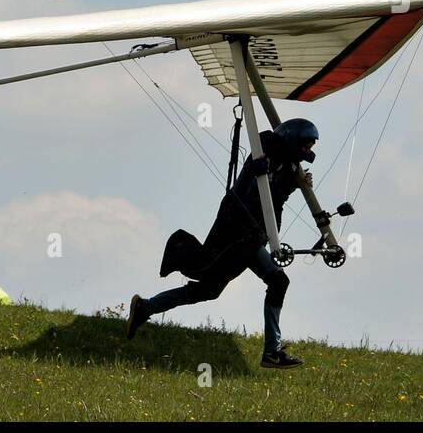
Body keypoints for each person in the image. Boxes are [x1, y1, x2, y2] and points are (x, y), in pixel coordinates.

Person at [126, 118, 319, 369]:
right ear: (293, 140)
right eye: (306, 144)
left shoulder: (284, 167)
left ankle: (144, 308)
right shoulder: (265, 152)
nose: (309, 150)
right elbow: (244, 189)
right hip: (236, 235)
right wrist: (255, 170)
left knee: (209, 291)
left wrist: (295, 183)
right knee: (276, 280)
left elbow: (273, 201)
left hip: (250, 238)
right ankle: (272, 352)